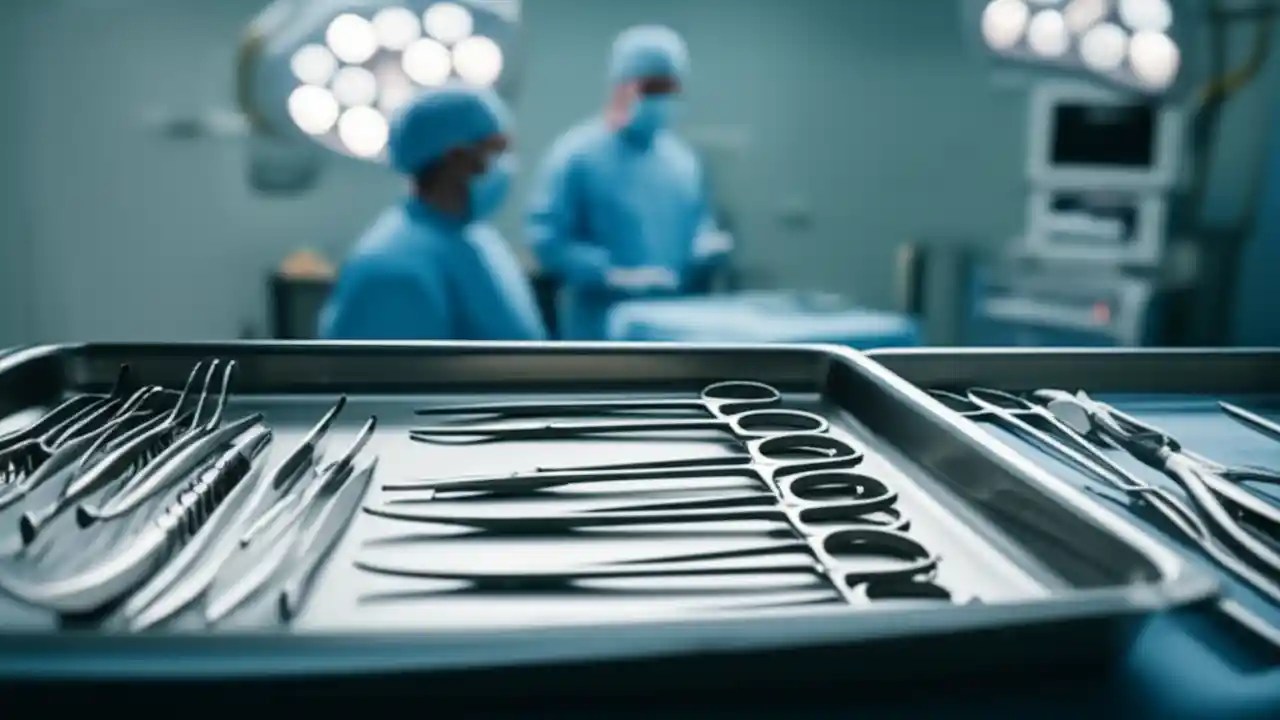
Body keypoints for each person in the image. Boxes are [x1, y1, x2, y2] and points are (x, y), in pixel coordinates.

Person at [526, 25, 732, 340]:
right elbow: (547, 239)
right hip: (599, 325)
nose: (662, 99)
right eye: (652, 88)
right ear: (621, 87)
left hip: (673, 325)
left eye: (670, 88)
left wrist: (705, 245)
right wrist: (611, 276)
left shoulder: (682, 161)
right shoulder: (577, 155)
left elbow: (698, 221)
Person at [318, 85, 547, 341]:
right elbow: (387, 376)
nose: (506, 165)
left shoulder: (474, 237)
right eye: (497, 149)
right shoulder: (393, 269)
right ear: (458, 158)